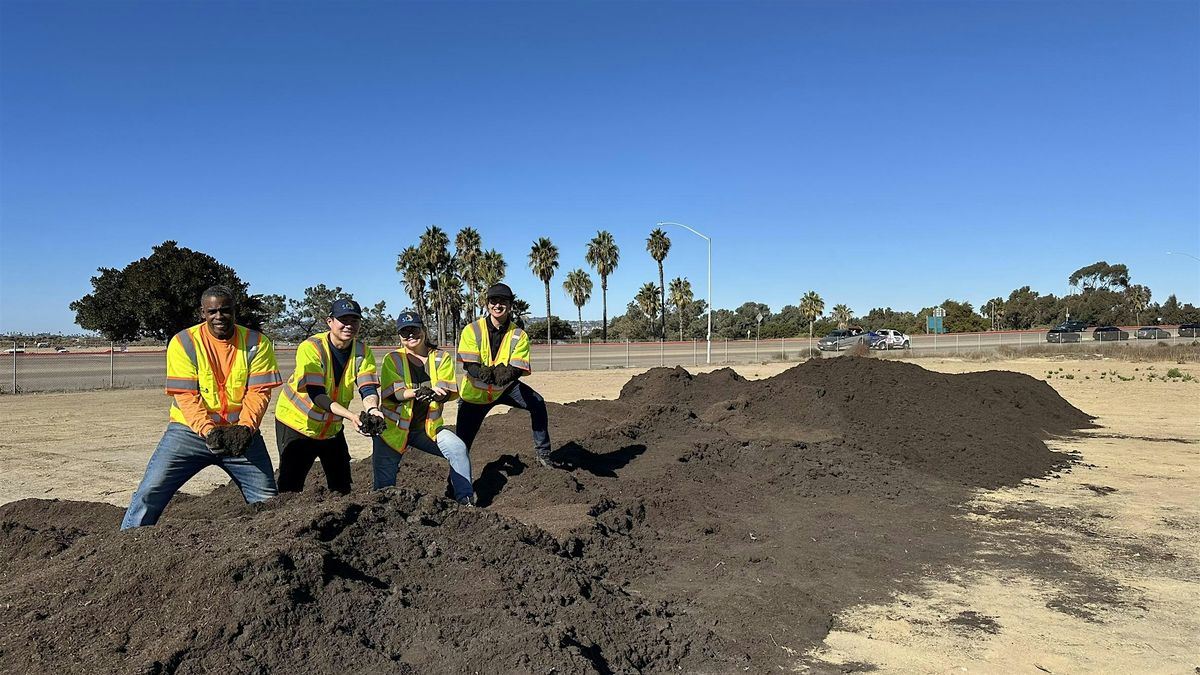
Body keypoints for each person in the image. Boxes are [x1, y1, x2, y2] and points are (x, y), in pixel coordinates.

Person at [121, 285, 283, 529]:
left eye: (225, 310)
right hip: (189, 433)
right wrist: (208, 431)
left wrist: (246, 429)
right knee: (150, 491)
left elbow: (259, 392)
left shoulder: (257, 343)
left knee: (267, 499)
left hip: (240, 434)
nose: (219, 317)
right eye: (213, 311)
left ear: (234, 311)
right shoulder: (184, 342)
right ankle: (129, 541)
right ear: (202, 313)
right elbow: (187, 396)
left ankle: (273, 545)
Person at [273, 298, 383, 494]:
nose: (349, 325)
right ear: (330, 321)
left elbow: (368, 388)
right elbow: (317, 395)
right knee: (290, 485)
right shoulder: (311, 347)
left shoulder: (362, 351)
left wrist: (372, 409)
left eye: (354, 320)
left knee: (341, 484)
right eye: (344, 320)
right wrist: (351, 416)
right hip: (298, 423)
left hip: (331, 427)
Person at [372, 312, 474, 504]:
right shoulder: (392, 359)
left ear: (424, 330)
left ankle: (465, 501)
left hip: (426, 430)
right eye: (405, 331)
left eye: (415, 329)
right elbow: (395, 393)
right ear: (399, 336)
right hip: (392, 431)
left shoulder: (440, 357)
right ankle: (384, 515)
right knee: (384, 487)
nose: (410, 335)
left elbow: (448, 388)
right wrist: (418, 392)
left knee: (458, 448)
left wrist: (438, 394)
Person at [455, 282, 559, 468]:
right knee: (461, 444)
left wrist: (508, 374)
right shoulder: (472, 330)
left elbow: (518, 366)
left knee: (537, 402)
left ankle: (543, 454)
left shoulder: (519, 334)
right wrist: (481, 373)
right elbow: (470, 365)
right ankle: (454, 485)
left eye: (503, 301)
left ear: (510, 305)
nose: (498, 305)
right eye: (493, 300)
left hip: (505, 388)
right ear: (487, 304)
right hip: (474, 395)